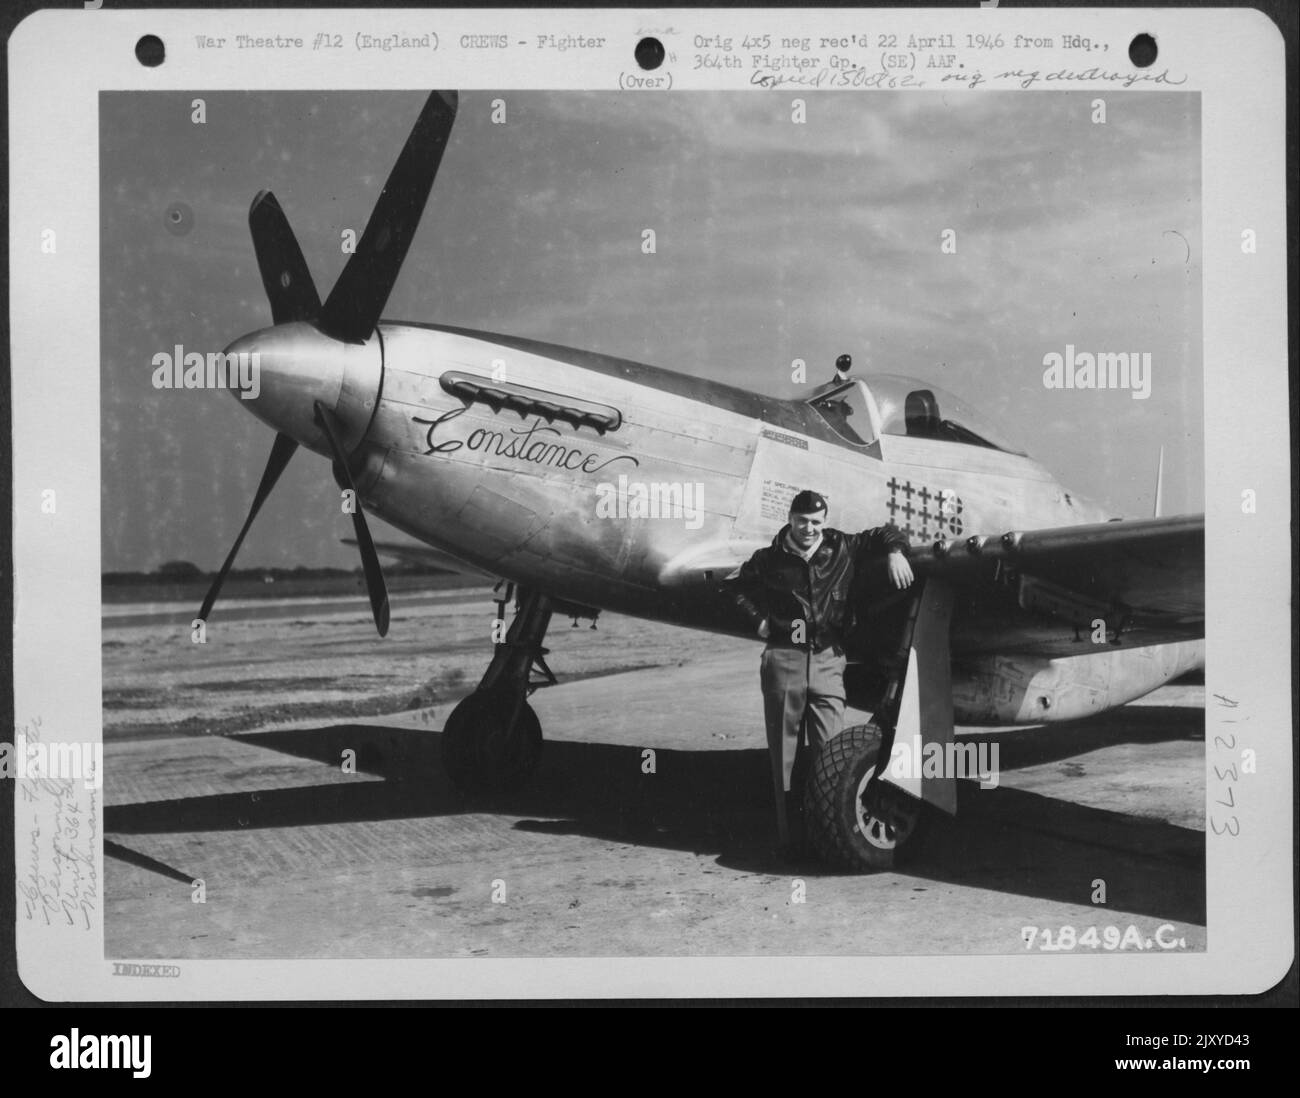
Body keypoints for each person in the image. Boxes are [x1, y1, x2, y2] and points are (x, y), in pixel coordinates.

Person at [727, 489, 914, 853]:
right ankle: (791, 843)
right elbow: (735, 587)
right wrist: (759, 621)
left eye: (816, 522)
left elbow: (885, 532)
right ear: (790, 519)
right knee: (785, 758)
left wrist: (896, 551)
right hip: (785, 657)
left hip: (828, 657)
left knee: (831, 755)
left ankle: (827, 836)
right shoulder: (768, 559)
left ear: (824, 521)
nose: (809, 529)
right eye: (802, 521)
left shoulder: (842, 547)